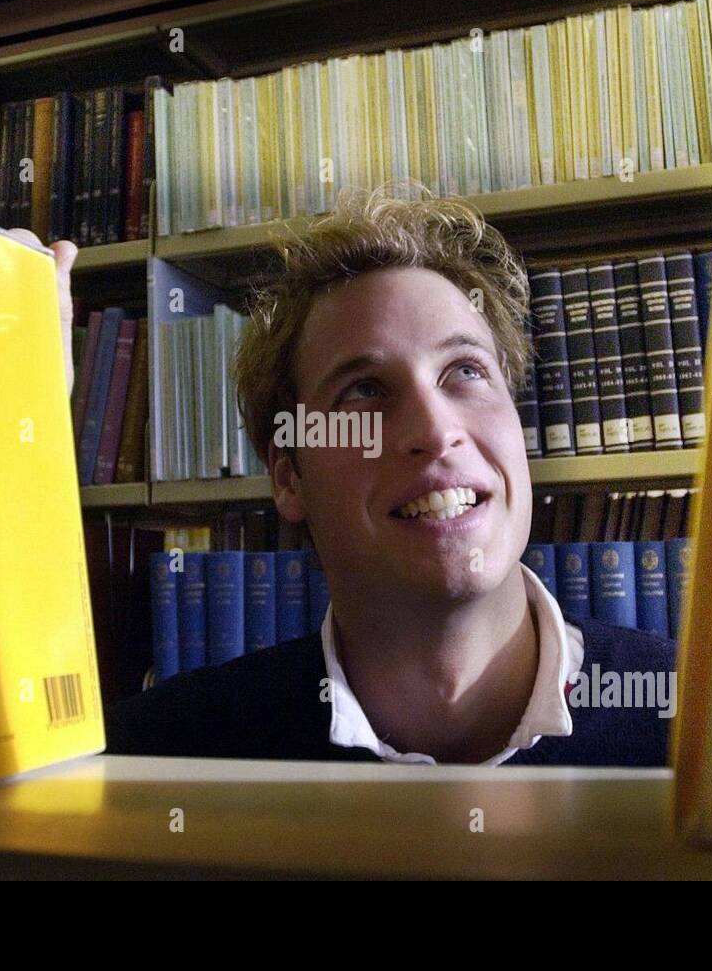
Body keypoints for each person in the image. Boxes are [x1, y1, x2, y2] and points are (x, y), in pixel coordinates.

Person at [58, 189, 676, 766]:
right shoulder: (162, 753)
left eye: (465, 371)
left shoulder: (707, 721)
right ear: (289, 478)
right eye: (364, 391)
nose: (435, 432)